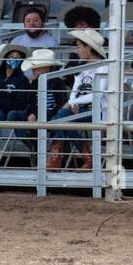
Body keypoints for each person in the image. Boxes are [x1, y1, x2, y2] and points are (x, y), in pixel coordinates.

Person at [50, 28, 109, 170]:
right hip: (82, 110)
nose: (77, 51)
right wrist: (72, 103)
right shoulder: (81, 68)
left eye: (79, 47)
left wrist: (74, 102)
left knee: (61, 118)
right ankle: (86, 157)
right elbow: (74, 92)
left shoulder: (105, 67)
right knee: (62, 117)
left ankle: (57, 158)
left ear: (88, 48)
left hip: (99, 111)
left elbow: (98, 94)